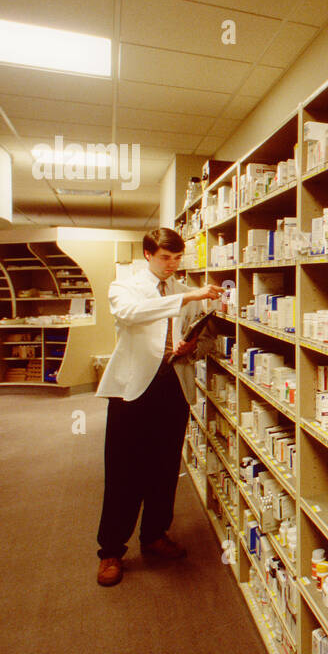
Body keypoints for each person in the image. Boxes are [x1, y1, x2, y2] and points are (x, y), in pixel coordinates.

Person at [95, 228, 223, 586]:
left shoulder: (186, 293)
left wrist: (190, 347)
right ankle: (110, 551)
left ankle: (154, 535)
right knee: (123, 471)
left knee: (165, 467)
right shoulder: (124, 287)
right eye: (166, 258)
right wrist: (187, 298)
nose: (172, 265)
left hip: (172, 383)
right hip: (132, 389)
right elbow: (133, 314)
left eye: (178, 258)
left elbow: (205, 336)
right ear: (148, 254)